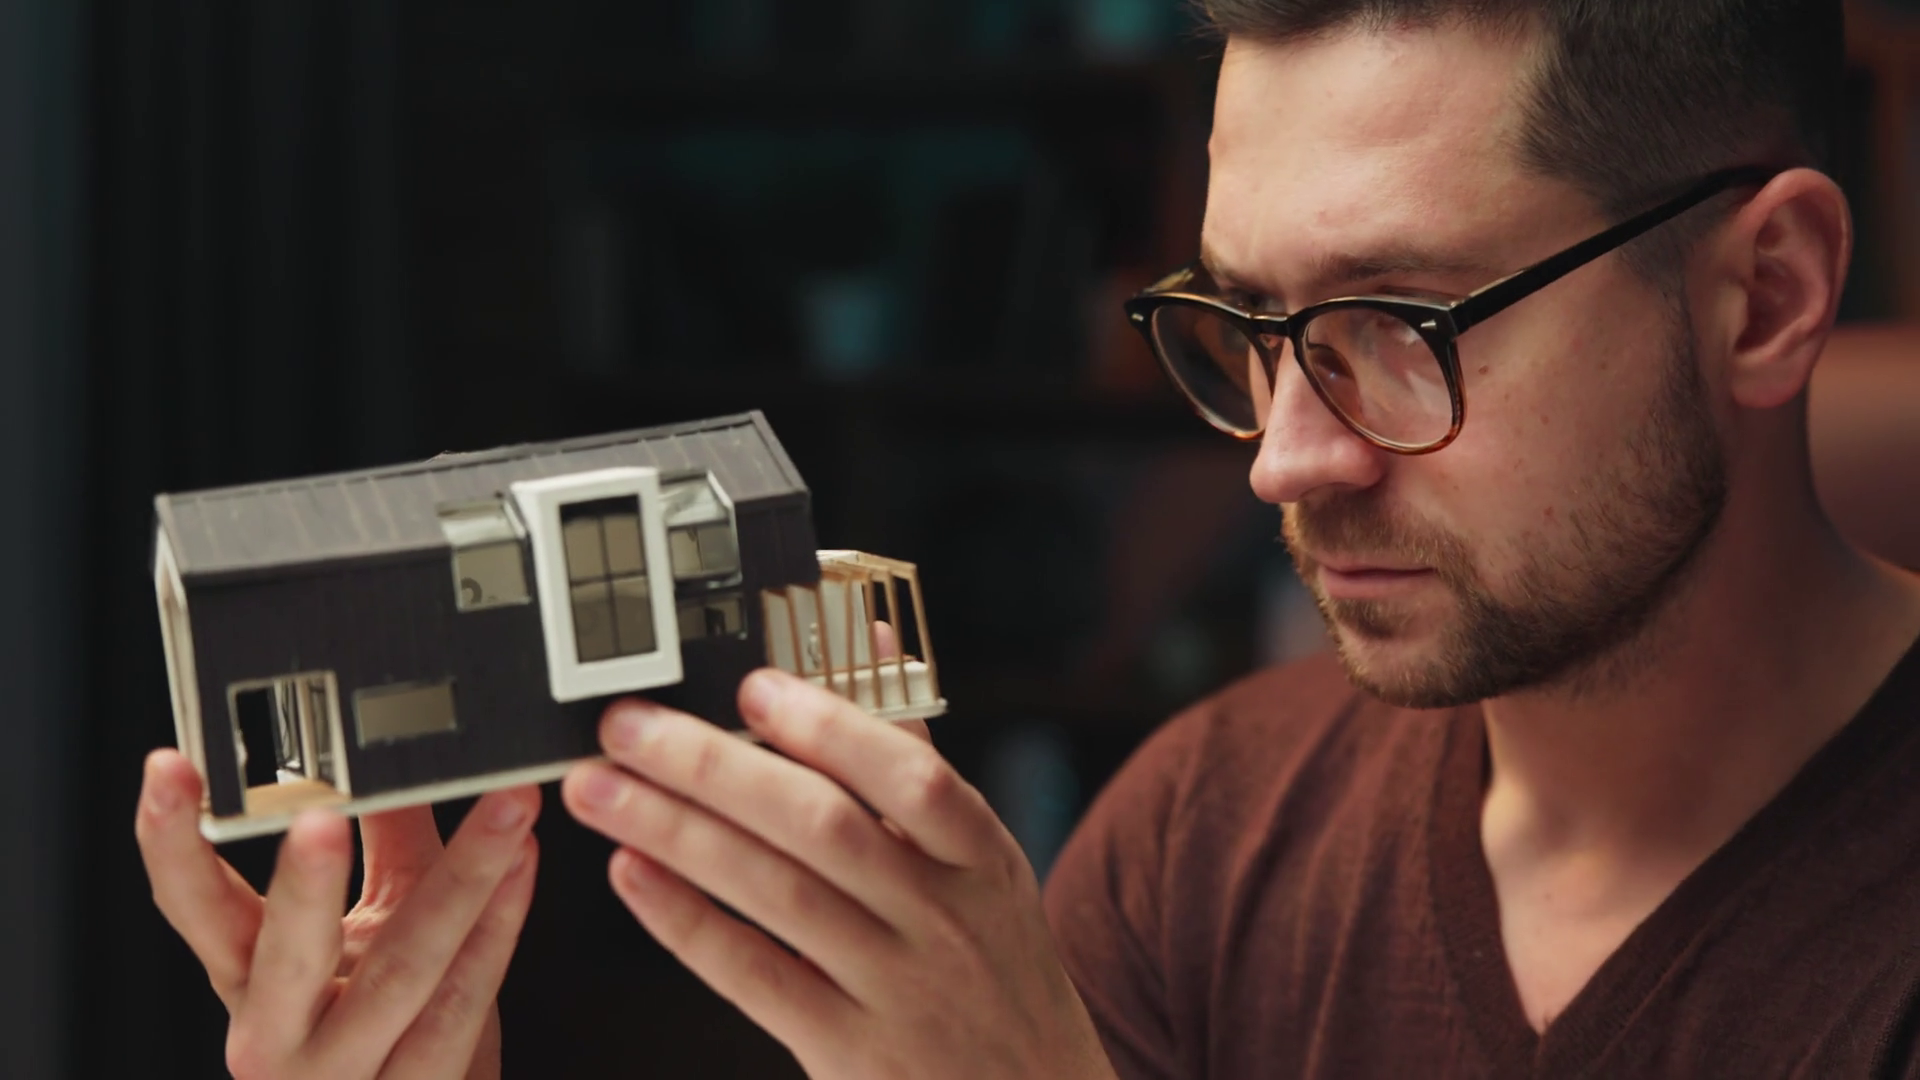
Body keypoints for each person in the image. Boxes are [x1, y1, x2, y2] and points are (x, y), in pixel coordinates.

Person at [136, 0, 1920, 1076]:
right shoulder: (1206, 832)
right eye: (1255, 328)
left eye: (1407, 325)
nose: (1283, 462)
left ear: (1763, 294)